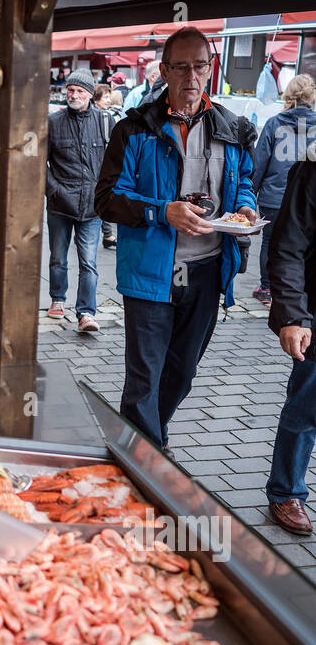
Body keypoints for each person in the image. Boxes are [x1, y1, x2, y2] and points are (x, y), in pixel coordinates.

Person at [95, 25, 256, 453]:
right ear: (164, 71)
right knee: (145, 376)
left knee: (182, 372)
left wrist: (245, 207)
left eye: (199, 66)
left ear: (211, 68)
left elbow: (243, 183)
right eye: (181, 67)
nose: (191, 75)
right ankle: (145, 461)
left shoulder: (233, 127)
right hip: (151, 269)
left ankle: (149, 441)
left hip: (206, 270)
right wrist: (160, 211)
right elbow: (107, 200)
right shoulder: (134, 128)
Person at [264, 160, 316, 533]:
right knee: (306, 406)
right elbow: (288, 246)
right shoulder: (312, 170)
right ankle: (286, 492)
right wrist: (293, 316)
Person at [45, 70, 110, 332]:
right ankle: (58, 299)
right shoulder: (53, 121)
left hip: (92, 206)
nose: (73, 95)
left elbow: (114, 163)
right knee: (58, 258)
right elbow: (41, 162)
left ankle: (85, 313)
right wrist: (54, 190)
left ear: (90, 94)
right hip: (60, 203)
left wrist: (105, 194)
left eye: (79, 91)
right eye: (70, 90)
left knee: (89, 262)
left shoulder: (106, 121)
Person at [249, 74, 316, 303]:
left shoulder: (274, 124)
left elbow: (259, 164)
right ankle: (298, 291)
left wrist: (250, 195)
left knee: (270, 243)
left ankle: (267, 288)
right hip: (307, 202)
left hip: (273, 197)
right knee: (304, 246)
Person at [92, 83, 119, 250]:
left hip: (103, 165)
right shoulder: (100, 117)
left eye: (109, 97)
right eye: (106, 97)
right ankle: (107, 234)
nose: (109, 100)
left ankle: (107, 233)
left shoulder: (107, 116)